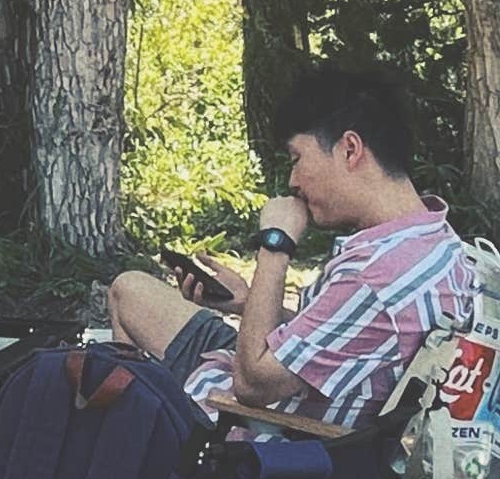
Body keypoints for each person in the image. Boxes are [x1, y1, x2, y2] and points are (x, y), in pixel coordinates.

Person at [108, 64, 473, 433]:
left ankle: (130, 449)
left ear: (350, 149)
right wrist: (248, 303)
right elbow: (347, 341)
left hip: (248, 434)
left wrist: (275, 245)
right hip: (280, 379)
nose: (292, 181)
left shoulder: (374, 276)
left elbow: (252, 385)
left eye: (297, 158)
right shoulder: (436, 242)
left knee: (99, 381)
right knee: (128, 289)